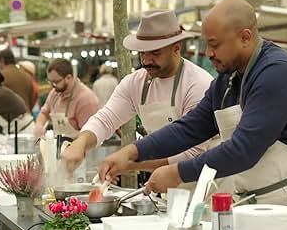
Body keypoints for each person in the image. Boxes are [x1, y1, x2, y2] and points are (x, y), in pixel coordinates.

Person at [99, 0, 287, 230]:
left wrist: (177, 173)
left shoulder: (277, 71)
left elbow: (244, 149)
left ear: (245, 37)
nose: (207, 52)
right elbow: (190, 127)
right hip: (265, 203)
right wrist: (133, 151)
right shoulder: (228, 78)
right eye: (206, 44)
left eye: (214, 44)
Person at [62, 9, 214, 174]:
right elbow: (106, 119)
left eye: (155, 52)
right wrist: (81, 142)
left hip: (202, 186)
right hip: (162, 187)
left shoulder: (198, 84)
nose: (146, 60)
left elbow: (192, 153)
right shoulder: (135, 82)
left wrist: (131, 165)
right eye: (142, 53)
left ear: (176, 48)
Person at [33, 58, 99, 139]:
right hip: (59, 147)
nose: (52, 85)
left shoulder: (86, 99)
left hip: (79, 149)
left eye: (56, 82)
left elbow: (89, 135)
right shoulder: (55, 93)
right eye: (50, 81)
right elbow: (44, 112)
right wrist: (39, 125)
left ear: (68, 77)